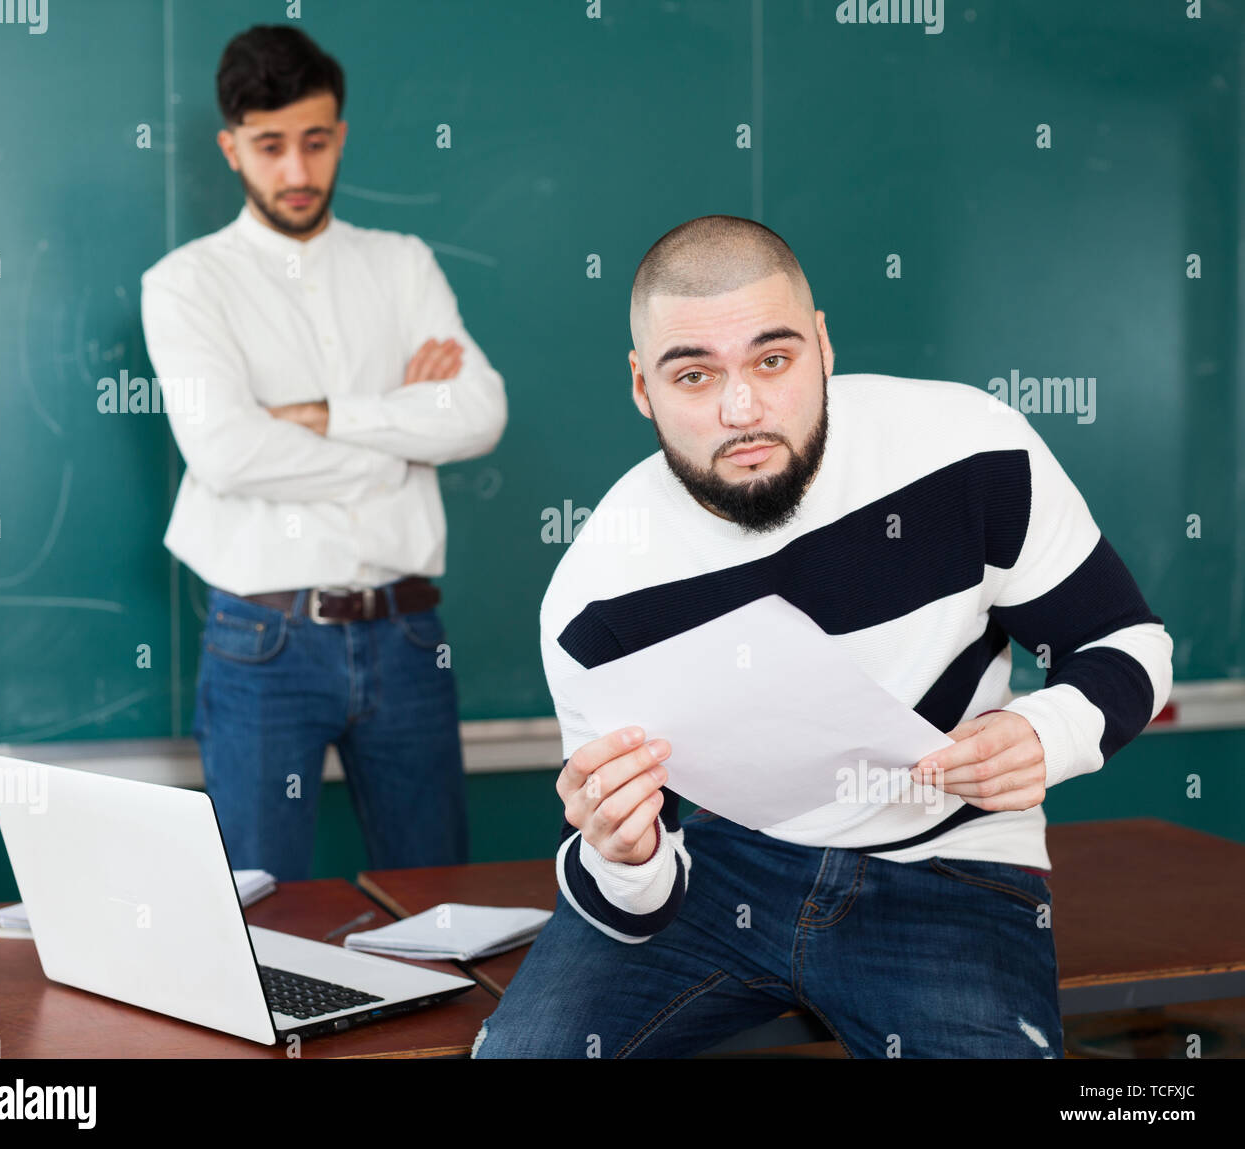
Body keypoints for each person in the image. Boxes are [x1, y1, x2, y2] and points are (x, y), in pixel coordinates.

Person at [472, 214, 1172, 1058]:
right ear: (641, 387)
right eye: (693, 375)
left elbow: (1127, 641)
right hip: (718, 863)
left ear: (823, 345)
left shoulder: (972, 449)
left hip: (951, 858)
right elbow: (625, 901)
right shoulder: (597, 592)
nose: (742, 410)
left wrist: (1047, 733)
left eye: (773, 360)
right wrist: (626, 853)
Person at [140, 25, 506, 879]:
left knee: (437, 902)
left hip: (408, 632)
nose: (297, 170)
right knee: (257, 910)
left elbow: (480, 413)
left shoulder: (403, 264)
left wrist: (323, 416)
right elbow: (227, 451)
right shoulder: (186, 284)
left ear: (340, 134)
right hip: (263, 639)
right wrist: (400, 439)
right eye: (271, 146)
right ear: (231, 148)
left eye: (315, 141)